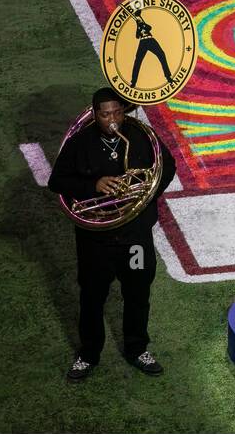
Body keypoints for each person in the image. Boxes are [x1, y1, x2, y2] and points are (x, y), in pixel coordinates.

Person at [48, 88, 177, 381]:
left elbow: (167, 166)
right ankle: (88, 354)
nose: (113, 120)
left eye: (118, 112)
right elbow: (57, 181)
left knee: (137, 293)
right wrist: (93, 185)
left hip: (134, 237)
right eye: (106, 115)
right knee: (92, 297)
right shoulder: (80, 143)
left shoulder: (142, 135)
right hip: (96, 240)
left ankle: (137, 349)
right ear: (95, 115)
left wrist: (144, 196)